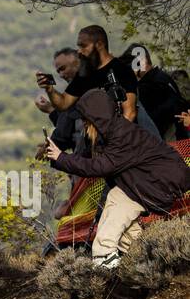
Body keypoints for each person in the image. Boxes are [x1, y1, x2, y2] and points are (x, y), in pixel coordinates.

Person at [46, 89, 190, 269]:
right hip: (151, 181)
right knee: (127, 231)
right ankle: (145, 255)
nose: (83, 125)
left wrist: (61, 158)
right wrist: (57, 157)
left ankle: (104, 256)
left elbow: (99, 167)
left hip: (156, 182)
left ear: (96, 119)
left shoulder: (122, 136)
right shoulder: (113, 131)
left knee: (116, 199)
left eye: (85, 120)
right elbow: (91, 161)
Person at [37, 26, 157, 137]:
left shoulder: (121, 70)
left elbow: (129, 113)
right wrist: (49, 89)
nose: (79, 51)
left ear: (99, 44)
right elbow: (63, 103)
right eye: (79, 46)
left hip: (127, 144)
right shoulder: (84, 75)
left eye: (83, 46)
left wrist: (113, 143)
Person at [127, 44, 190, 140]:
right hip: (179, 138)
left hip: (171, 143)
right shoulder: (163, 77)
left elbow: (147, 123)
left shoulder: (148, 86)